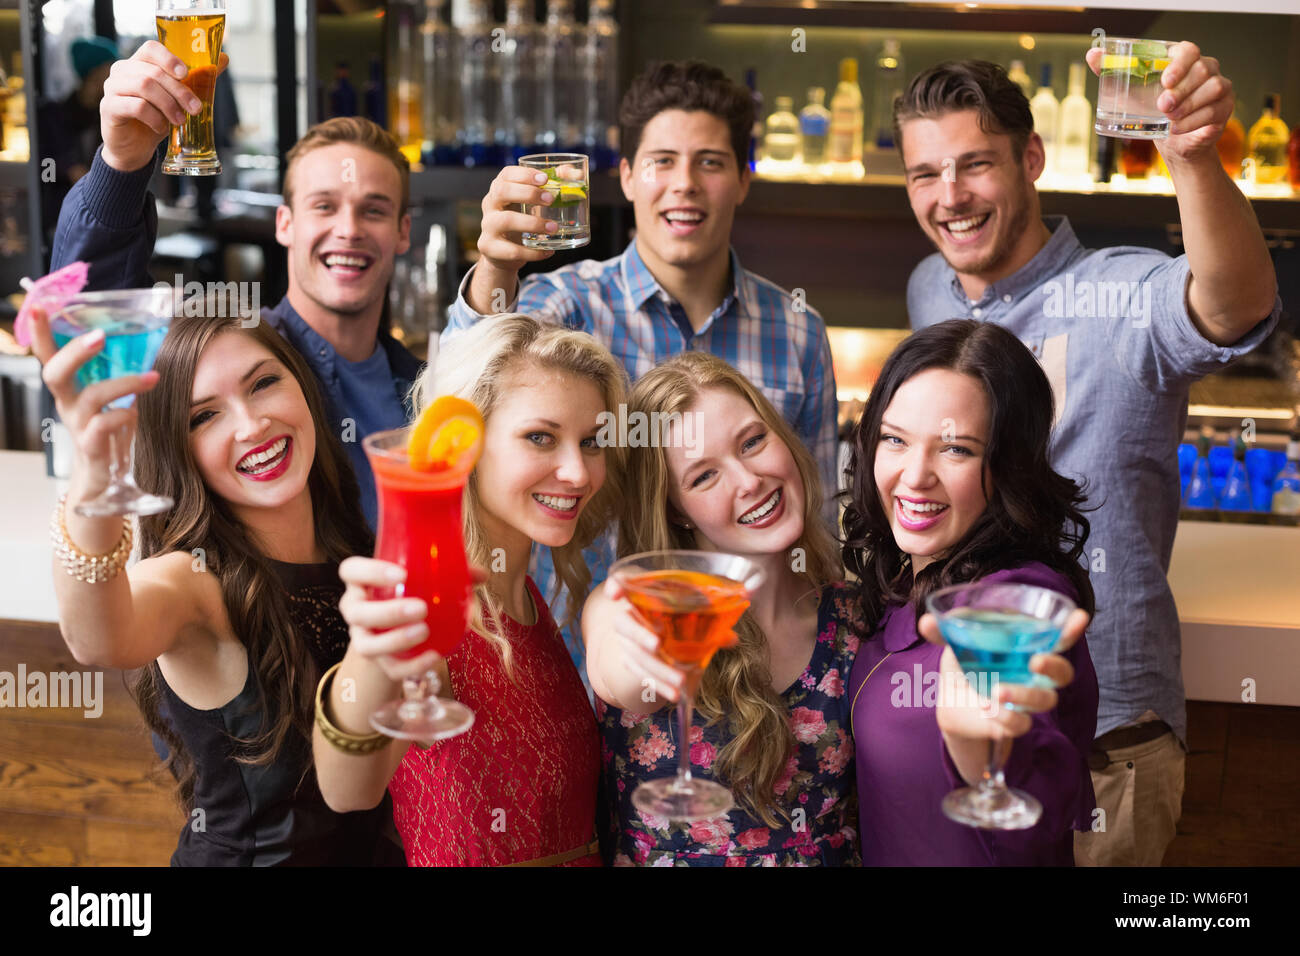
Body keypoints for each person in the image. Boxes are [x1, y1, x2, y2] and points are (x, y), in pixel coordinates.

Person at [895, 51, 1282, 866]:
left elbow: (1234, 304)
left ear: (1031, 160)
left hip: (1105, 739)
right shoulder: (930, 288)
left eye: (974, 165)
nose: (949, 196)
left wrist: (1193, 157)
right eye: (925, 172)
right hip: (959, 725)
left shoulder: (1122, 292)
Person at [446, 60, 838, 677]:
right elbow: (455, 393)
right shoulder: (565, 306)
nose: (684, 183)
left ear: (743, 179)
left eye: (710, 161)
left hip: (750, 672)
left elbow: (817, 519)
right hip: (570, 667)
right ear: (627, 177)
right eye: (661, 161)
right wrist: (495, 272)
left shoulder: (797, 330)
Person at [26, 300, 401, 866]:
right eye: (205, 416)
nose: (252, 425)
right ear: (179, 450)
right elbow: (97, 639)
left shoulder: (351, 545)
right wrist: (93, 473)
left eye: (263, 384)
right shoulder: (193, 579)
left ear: (301, 387)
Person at [50, 40, 420, 528]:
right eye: (324, 206)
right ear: (284, 224)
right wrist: (122, 162)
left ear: (402, 233)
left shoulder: (423, 389)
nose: (349, 229)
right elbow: (89, 316)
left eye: (373, 210)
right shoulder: (228, 357)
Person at [313, 316, 627, 866]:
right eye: (540, 437)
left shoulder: (527, 596)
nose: (578, 472)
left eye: (592, 441)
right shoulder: (430, 608)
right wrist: (369, 651)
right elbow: (348, 790)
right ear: (466, 447)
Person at [843, 319, 1098, 866]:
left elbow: (1037, 811)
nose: (914, 476)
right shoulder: (901, 586)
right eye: (895, 439)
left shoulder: (1016, 596)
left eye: (955, 449)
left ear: (1007, 468)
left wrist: (981, 745)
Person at [581, 352, 853, 866]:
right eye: (704, 476)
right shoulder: (628, 606)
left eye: (753, 442)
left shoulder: (852, 616)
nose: (748, 480)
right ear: (675, 513)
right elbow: (621, 673)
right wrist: (643, 661)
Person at [37, 36, 117, 237]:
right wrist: (68, 170)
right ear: (94, 73)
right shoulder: (52, 115)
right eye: (110, 68)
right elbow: (43, 165)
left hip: (100, 214)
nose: (115, 74)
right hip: (61, 215)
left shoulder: (110, 113)